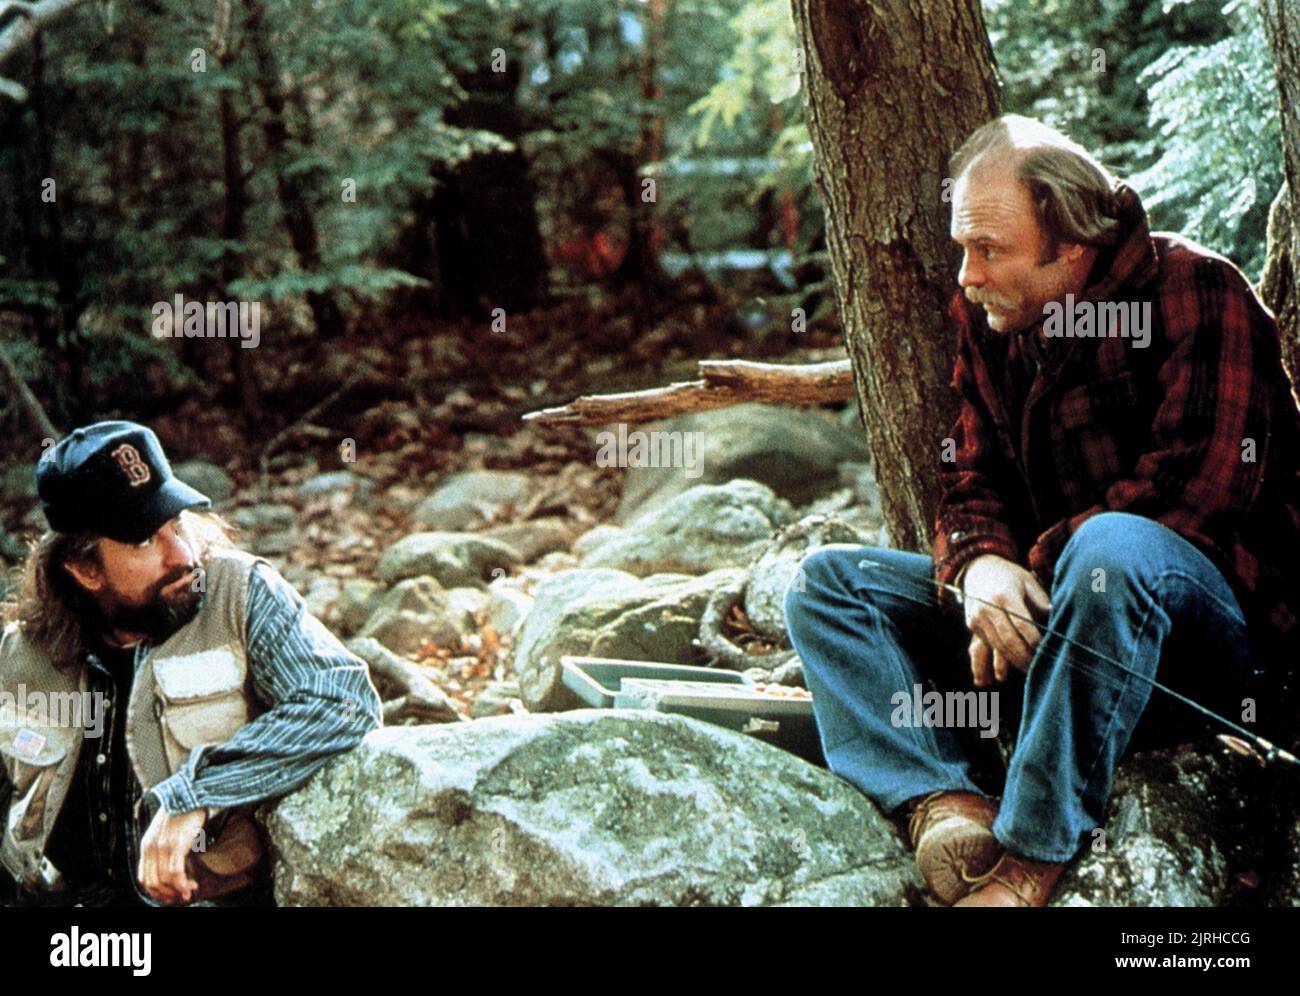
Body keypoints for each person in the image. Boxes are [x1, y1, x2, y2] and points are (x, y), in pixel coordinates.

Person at [783, 114, 1300, 907]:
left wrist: (1025, 570)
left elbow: (1195, 492)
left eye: (988, 249)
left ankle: (1029, 860)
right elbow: (966, 475)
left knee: (1117, 549)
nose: (966, 275)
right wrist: (979, 566)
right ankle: (943, 803)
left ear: (1072, 246)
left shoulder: (1198, 290)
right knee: (830, 584)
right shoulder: (997, 320)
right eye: (963, 246)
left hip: (1204, 652)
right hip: (1047, 627)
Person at [0, 421, 383, 907]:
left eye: (175, 521)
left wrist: (196, 793)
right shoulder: (19, 656)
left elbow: (344, 700)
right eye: (144, 540)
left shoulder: (241, 595)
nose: (181, 554)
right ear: (85, 569)